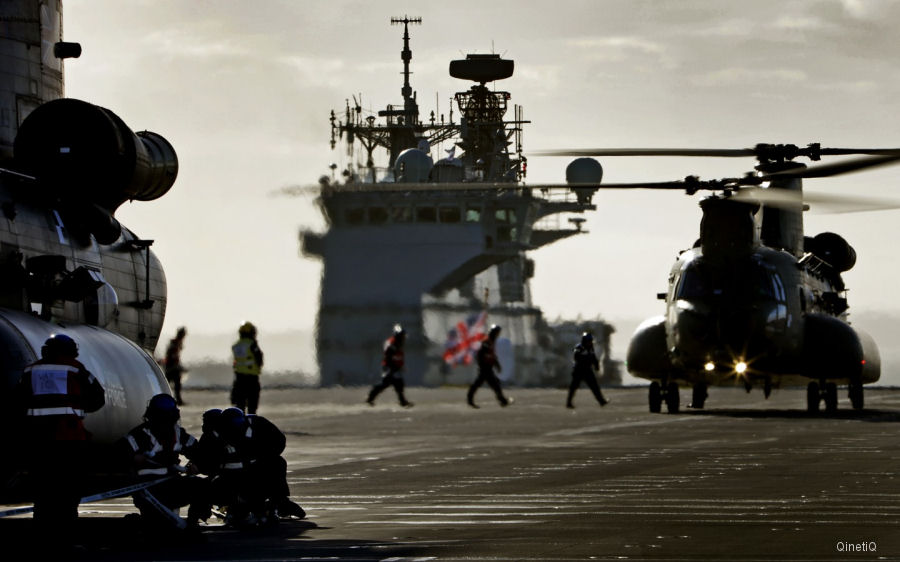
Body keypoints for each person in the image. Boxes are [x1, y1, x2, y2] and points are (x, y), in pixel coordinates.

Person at [14, 334, 105, 535]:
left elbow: (18, 401)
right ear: (71, 350)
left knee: (43, 491)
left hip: (39, 442)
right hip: (70, 440)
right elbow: (98, 398)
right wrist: (77, 409)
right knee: (68, 491)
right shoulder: (75, 369)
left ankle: (43, 534)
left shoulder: (31, 370)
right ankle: (66, 535)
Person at [197, 407, 305, 527]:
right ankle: (237, 507)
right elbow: (203, 465)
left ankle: (278, 501)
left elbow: (279, 441)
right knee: (207, 490)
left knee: (277, 463)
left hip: (254, 474)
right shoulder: (212, 436)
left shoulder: (257, 424)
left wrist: (259, 457)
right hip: (229, 479)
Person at [118, 394, 210, 532]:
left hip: (172, 484)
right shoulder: (138, 435)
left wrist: (196, 465)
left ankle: (193, 522)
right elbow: (118, 454)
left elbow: (199, 452)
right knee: (158, 528)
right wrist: (134, 459)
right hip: (149, 489)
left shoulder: (178, 434)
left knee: (203, 486)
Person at [366, 325, 413, 407]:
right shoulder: (391, 343)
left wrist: (401, 365)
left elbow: (399, 356)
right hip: (389, 367)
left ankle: (402, 401)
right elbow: (388, 356)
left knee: (399, 384)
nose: (403, 337)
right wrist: (391, 368)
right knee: (385, 384)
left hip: (396, 367)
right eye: (401, 335)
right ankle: (370, 397)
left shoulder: (399, 343)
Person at [467, 324, 511, 408]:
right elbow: (481, 354)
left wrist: (497, 364)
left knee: (492, 384)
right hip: (485, 367)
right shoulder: (487, 341)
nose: (499, 334)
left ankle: (502, 401)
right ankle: (502, 401)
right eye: (498, 332)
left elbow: (492, 355)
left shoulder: (492, 341)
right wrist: (482, 365)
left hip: (488, 367)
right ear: (494, 333)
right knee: (483, 384)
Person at [566, 332, 609, 409]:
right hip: (579, 370)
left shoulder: (590, 349)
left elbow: (593, 358)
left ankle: (601, 401)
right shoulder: (579, 348)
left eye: (591, 341)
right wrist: (585, 360)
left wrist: (596, 366)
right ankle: (569, 403)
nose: (590, 342)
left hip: (587, 371)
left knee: (595, 386)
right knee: (573, 387)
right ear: (585, 341)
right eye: (589, 341)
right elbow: (576, 357)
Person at [231, 321, 264, 414]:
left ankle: (240, 420)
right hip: (251, 377)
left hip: (239, 377)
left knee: (240, 402)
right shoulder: (252, 344)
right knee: (252, 403)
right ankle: (251, 420)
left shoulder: (236, 345)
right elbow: (259, 358)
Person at [164, 326, 188, 405]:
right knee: (171, 384)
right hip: (172, 367)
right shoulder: (175, 343)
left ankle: (176, 400)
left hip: (172, 367)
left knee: (173, 384)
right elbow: (172, 355)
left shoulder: (176, 343)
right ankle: (175, 400)